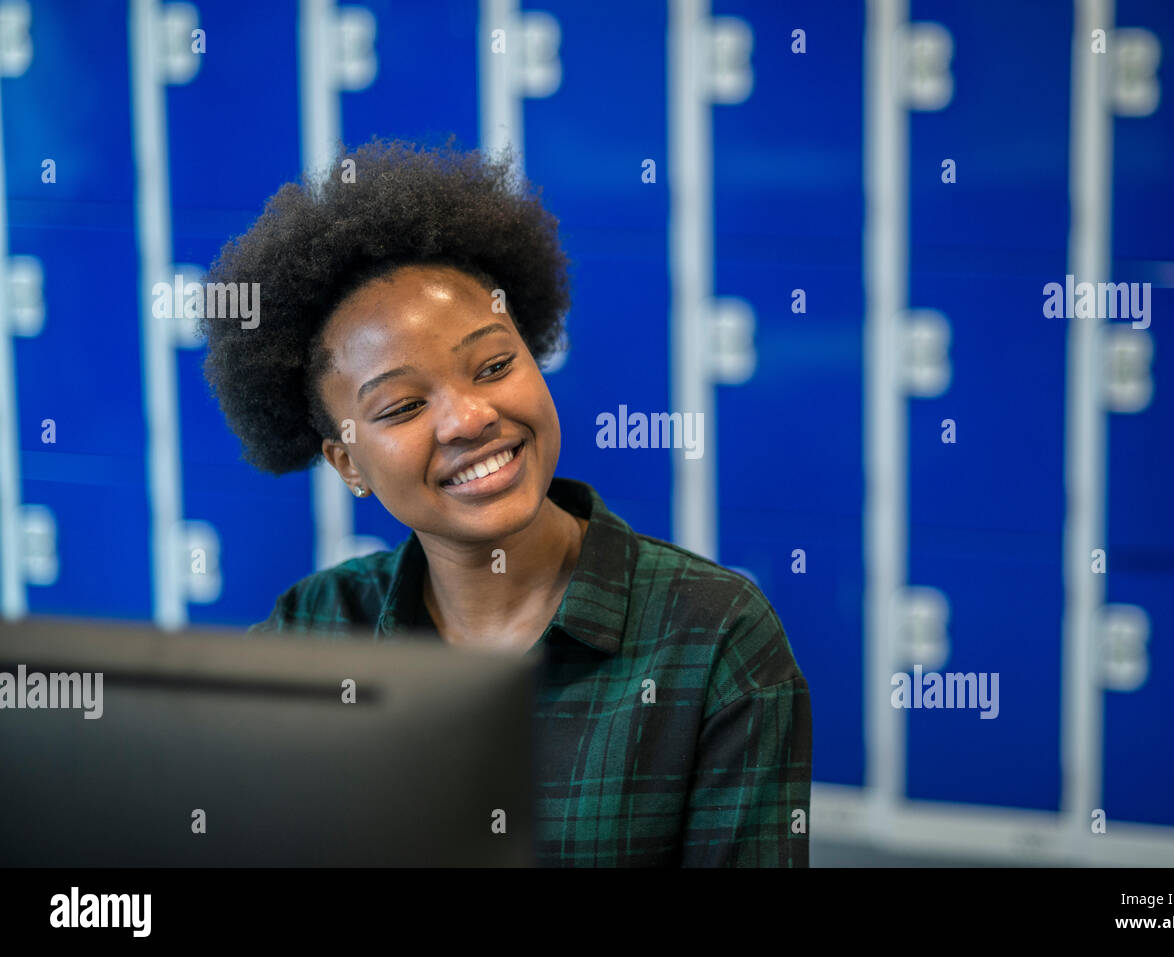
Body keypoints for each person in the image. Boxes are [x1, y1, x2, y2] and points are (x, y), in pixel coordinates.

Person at [200, 137, 811, 866]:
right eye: (400, 407)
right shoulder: (313, 632)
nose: (468, 418)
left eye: (494, 365)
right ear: (346, 461)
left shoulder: (716, 641)